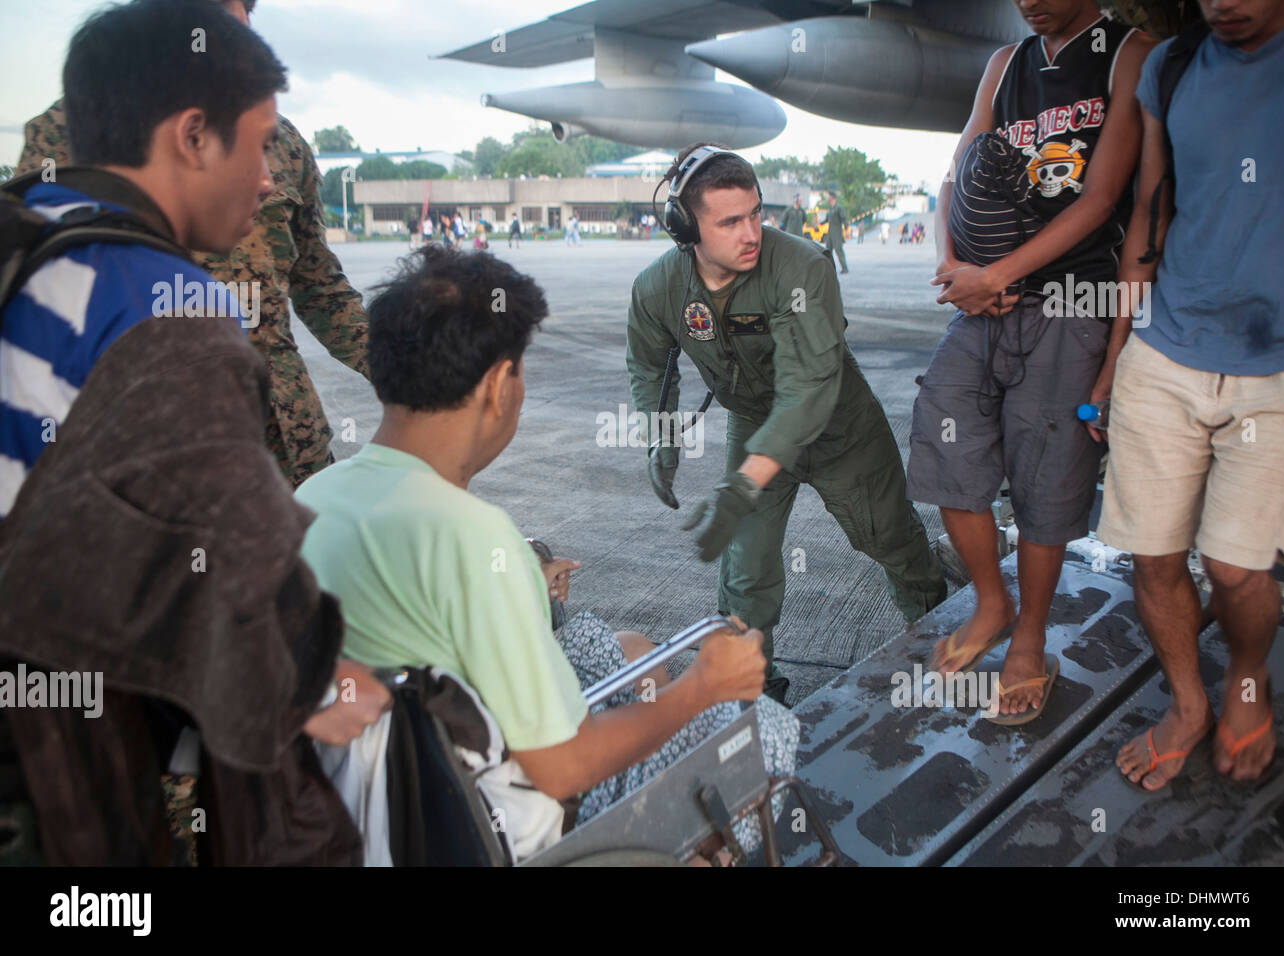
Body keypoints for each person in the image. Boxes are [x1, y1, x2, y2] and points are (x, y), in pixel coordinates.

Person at [0, 0, 387, 866]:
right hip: (69, 731)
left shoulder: (35, 227)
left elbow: (319, 279)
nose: (265, 182)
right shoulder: (170, 305)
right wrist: (318, 680)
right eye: (253, 150)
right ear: (192, 136)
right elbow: (236, 563)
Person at [294, 245, 793, 862]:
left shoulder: (313, 496)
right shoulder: (470, 534)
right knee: (759, 728)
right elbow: (563, 768)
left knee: (632, 649)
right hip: (495, 820)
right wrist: (703, 686)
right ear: (500, 385)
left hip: (388, 792)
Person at [907, 0, 1154, 723]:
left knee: (1049, 476)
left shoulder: (1126, 52)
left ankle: (1030, 638)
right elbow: (957, 168)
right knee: (942, 421)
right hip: (987, 302)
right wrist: (952, 261)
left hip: (1072, 301)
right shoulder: (1003, 64)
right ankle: (992, 601)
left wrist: (1001, 272)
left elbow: (1104, 195)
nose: (1029, 1)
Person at [627, 144, 947, 703]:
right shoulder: (659, 289)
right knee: (745, 574)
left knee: (889, 539)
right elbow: (650, 365)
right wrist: (662, 437)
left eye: (755, 213)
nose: (751, 232)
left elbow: (807, 391)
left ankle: (940, 631)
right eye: (729, 221)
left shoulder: (801, 267)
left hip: (839, 428)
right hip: (753, 426)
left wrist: (743, 482)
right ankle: (754, 693)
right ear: (685, 227)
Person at [15, 0, 372, 489]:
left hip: (286, 437)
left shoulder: (279, 139)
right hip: (136, 438)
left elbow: (320, 286)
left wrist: (410, 372)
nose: (264, 179)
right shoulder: (68, 131)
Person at [1105, 0, 1284, 790]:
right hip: (1166, 347)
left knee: (1234, 567)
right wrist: (1116, 352)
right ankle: (1189, 704)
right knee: (1152, 557)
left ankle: (1245, 682)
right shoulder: (1172, 65)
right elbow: (1151, 208)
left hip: (1283, 364)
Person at [823, 191, 848, 273]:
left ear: (832, 197)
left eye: (828, 196)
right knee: (828, 251)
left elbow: (844, 218)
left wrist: (846, 229)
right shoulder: (830, 208)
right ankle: (829, 268)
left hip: (837, 232)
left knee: (838, 250)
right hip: (830, 232)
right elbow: (826, 220)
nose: (827, 198)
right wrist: (819, 224)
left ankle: (844, 267)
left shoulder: (838, 208)